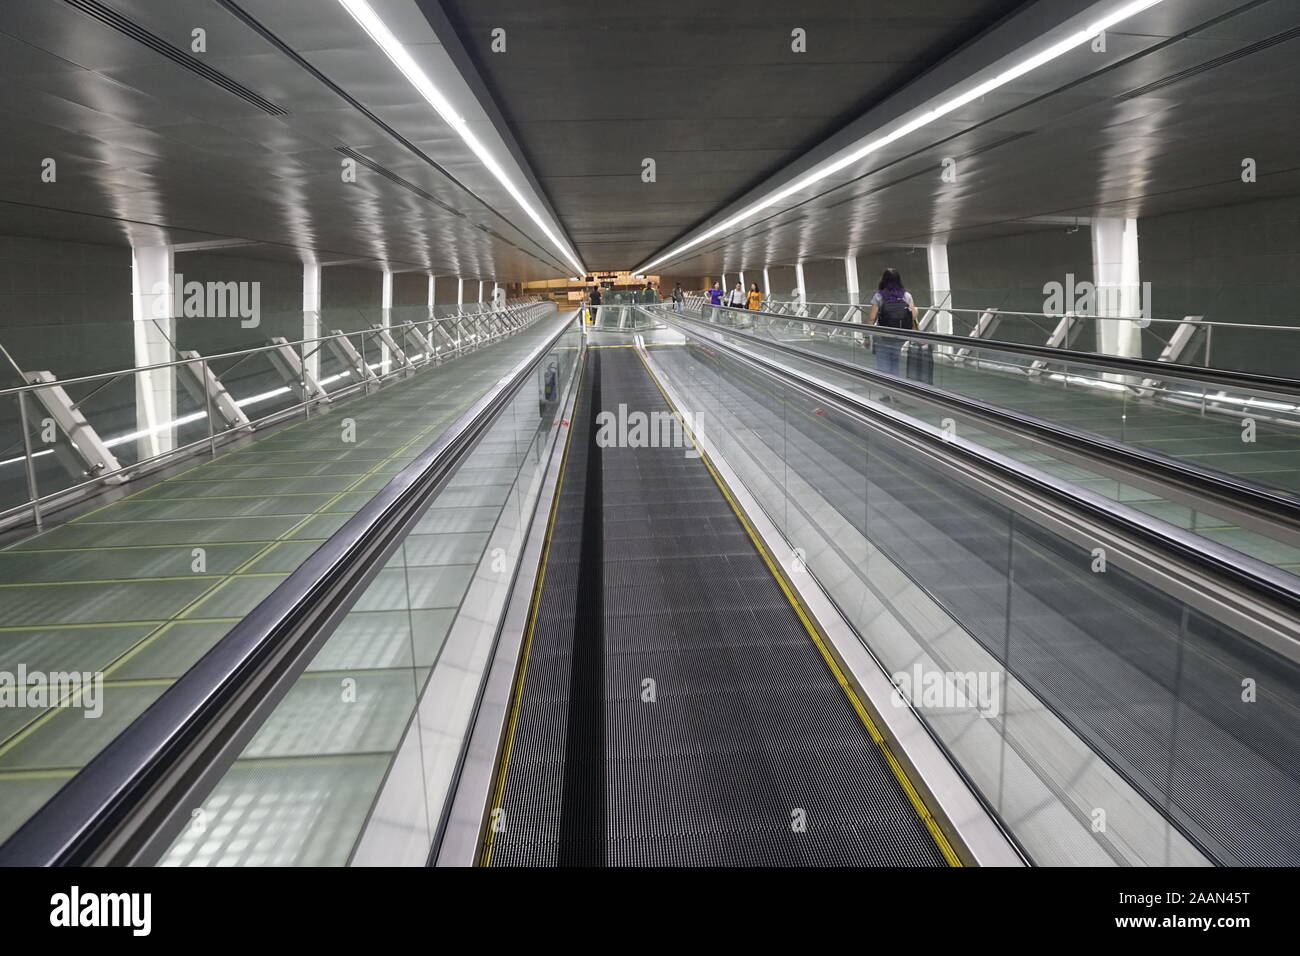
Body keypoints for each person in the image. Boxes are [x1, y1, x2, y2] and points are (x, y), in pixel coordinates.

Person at [866, 267, 917, 377]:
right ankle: (895, 391)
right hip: (900, 337)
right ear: (899, 280)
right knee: (895, 364)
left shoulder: (879, 295)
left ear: (883, 280)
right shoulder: (906, 296)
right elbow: (912, 315)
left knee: (883, 367)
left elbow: (871, 318)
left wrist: (867, 337)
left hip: (883, 337)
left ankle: (886, 391)